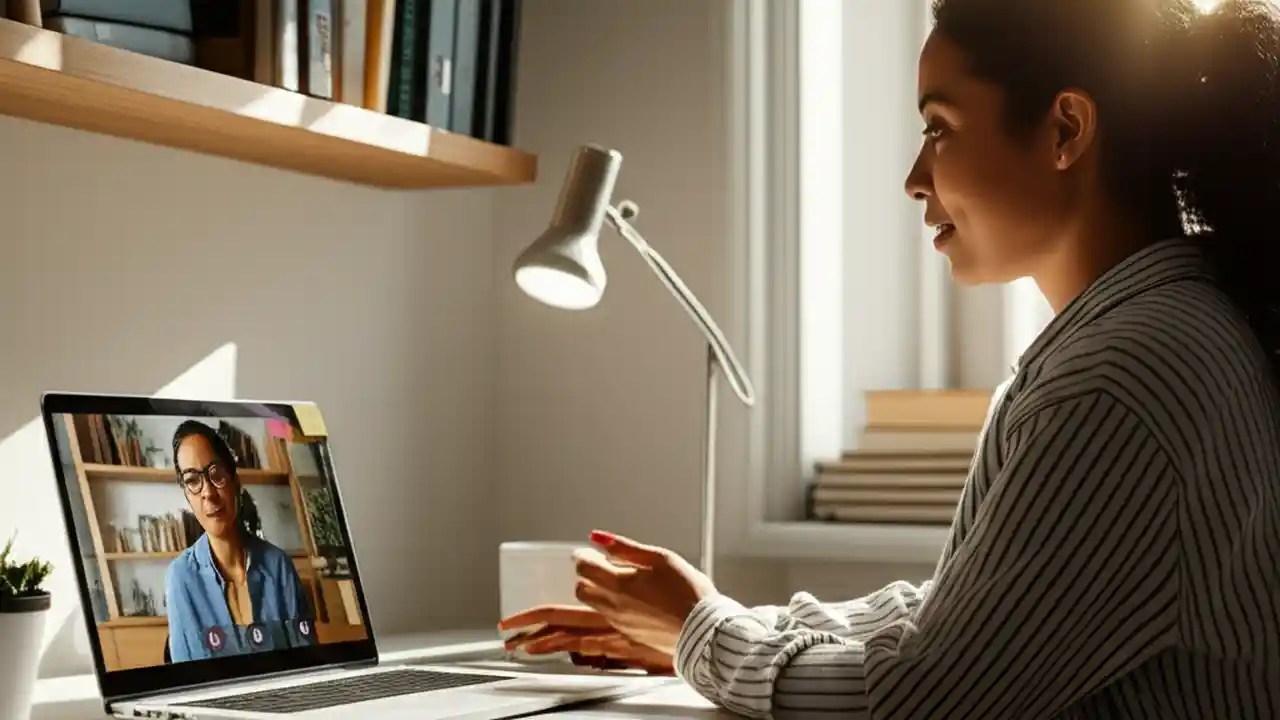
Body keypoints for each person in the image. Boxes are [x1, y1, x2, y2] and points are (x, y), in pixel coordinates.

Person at [498, 0, 1280, 716]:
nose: (913, 180)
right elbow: (958, 613)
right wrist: (707, 627)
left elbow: (921, 698)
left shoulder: (1119, 384)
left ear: (1066, 130)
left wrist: (705, 637)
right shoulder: (1152, 334)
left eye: (939, 128)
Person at [165, 420, 315, 662]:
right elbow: (189, 679)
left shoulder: (279, 566)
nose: (208, 493)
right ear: (186, 495)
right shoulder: (181, 577)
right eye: (193, 481)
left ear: (235, 481)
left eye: (216, 475)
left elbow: (308, 662)